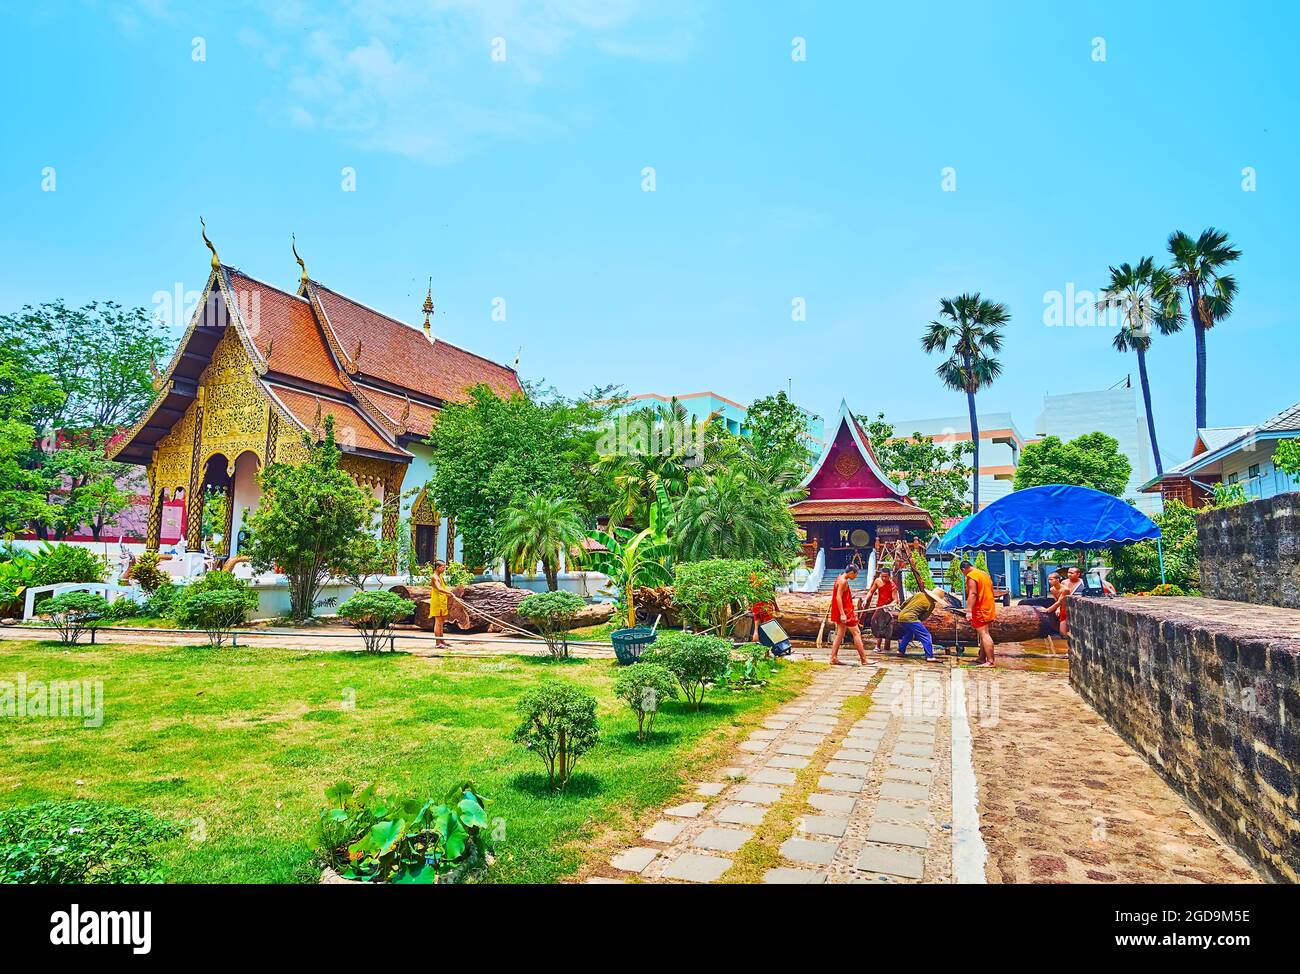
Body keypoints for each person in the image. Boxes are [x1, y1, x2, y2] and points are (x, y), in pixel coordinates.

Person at [895, 585, 949, 662]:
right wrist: (918, 621)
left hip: (901, 617)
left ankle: (900, 651)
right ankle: (929, 656)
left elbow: (905, 603)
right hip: (911, 618)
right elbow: (924, 617)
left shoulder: (919, 594)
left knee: (909, 634)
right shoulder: (931, 605)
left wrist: (902, 610)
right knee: (926, 636)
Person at [961, 559, 998, 668]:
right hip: (988, 606)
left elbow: (973, 594)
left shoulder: (971, 576)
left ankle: (990, 661)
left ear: (964, 569)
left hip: (980, 608)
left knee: (984, 634)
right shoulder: (984, 574)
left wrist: (968, 611)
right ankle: (982, 658)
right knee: (983, 633)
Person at [828, 565, 867, 665]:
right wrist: (842, 614)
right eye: (856, 575)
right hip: (845, 611)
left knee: (840, 634)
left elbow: (842, 595)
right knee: (856, 632)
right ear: (851, 573)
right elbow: (838, 597)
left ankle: (833, 657)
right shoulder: (843, 581)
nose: (856, 577)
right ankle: (864, 659)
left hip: (844, 610)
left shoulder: (840, 577)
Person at [861, 570, 899, 653]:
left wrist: (889, 605)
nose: (884, 578)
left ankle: (887, 647)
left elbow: (895, 600)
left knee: (888, 627)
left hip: (888, 609)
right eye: (882, 576)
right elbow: (871, 591)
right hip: (879, 606)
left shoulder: (893, 586)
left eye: (886, 576)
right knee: (877, 625)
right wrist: (866, 600)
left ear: (890, 576)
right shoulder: (878, 581)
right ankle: (877, 646)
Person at [1047, 566, 1084, 638]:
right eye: (1068, 572)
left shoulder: (1082, 582)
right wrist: (1058, 609)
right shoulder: (1063, 583)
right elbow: (1058, 599)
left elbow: (1060, 599)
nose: (1069, 574)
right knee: (1063, 633)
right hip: (1064, 608)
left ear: (1078, 574)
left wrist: (1048, 610)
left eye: (1072, 573)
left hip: (1076, 609)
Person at [429, 560, 452, 649]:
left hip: (442, 601)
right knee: (438, 622)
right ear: (437, 567)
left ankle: (442, 641)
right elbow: (439, 588)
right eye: (443, 567)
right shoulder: (435, 577)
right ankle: (438, 643)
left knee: (441, 622)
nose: (444, 569)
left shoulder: (440, 576)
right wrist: (449, 593)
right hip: (437, 602)